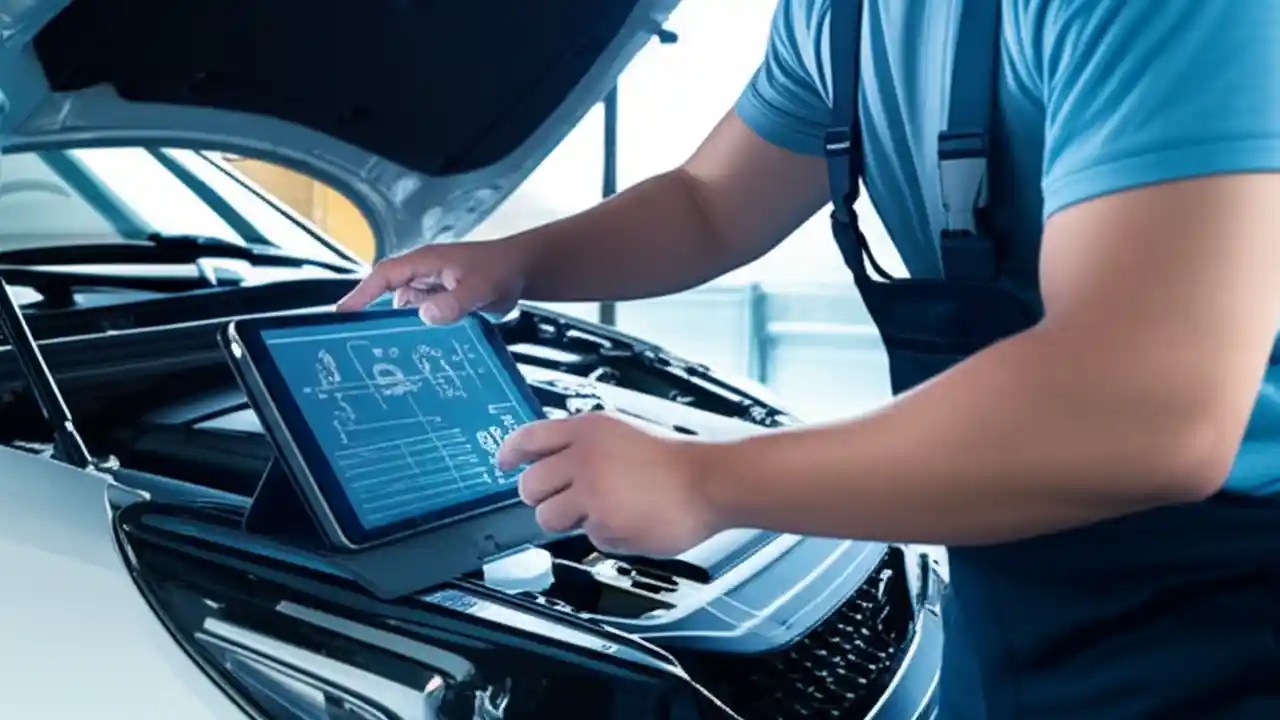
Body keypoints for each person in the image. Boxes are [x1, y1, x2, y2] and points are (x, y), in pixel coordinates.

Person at [338, 1, 1280, 716]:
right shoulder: (838, 14)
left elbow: (1150, 410)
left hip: (1230, 608)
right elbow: (710, 201)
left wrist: (704, 482)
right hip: (1014, 594)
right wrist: (514, 262)